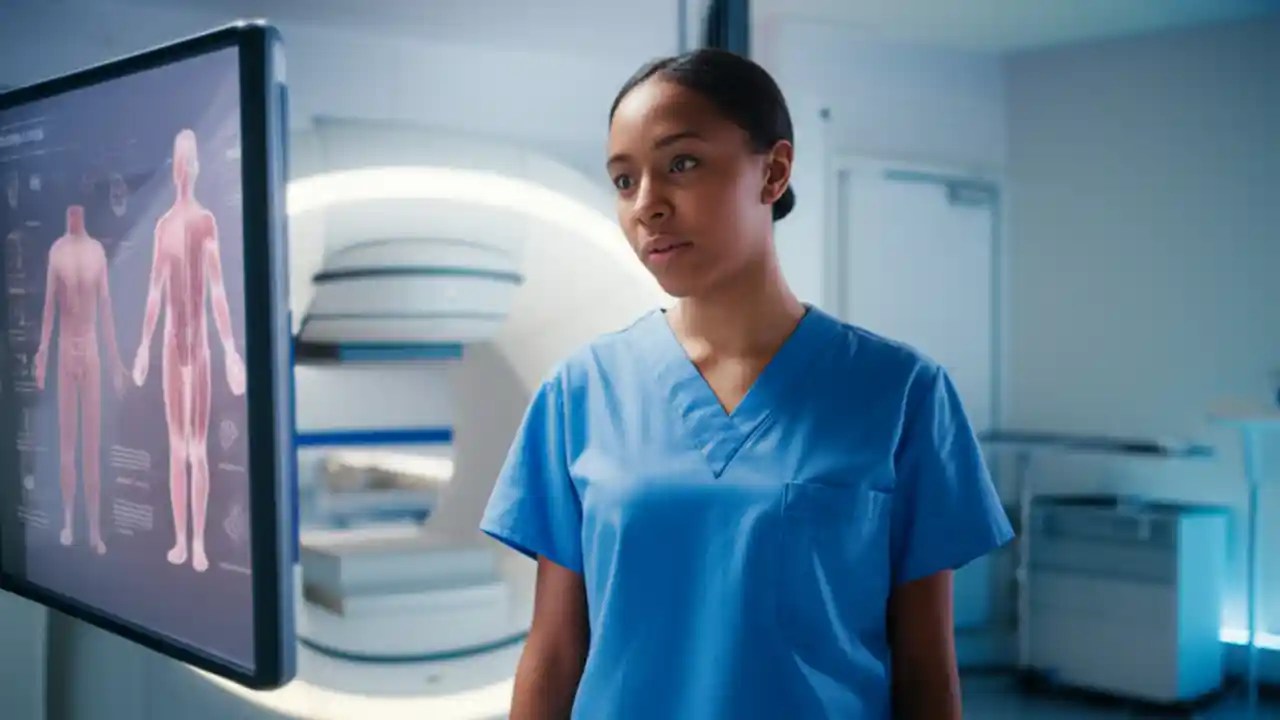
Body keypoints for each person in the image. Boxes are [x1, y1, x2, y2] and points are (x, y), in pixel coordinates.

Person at [479, 48, 1013, 720]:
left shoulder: (902, 394)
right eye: (623, 180)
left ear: (774, 171)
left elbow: (926, 669)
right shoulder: (581, 394)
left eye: (682, 163)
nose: (647, 206)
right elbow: (555, 654)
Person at [132, 129, 246, 573]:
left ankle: (198, 541)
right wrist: (142, 347)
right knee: (176, 446)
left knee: (197, 449)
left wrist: (232, 351)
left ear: (194, 168)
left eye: (189, 160)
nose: (184, 169)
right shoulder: (162, 227)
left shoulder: (204, 222)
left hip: (197, 346)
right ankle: (181, 540)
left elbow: (217, 291)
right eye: (180, 161)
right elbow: (154, 294)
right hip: (170, 345)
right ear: (176, 169)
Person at [34, 204, 128, 554]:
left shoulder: (96, 252)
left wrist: (116, 362)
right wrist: (42, 354)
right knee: (67, 445)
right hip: (65, 348)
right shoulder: (56, 251)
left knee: (91, 446)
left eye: (78, 209)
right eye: (69, 209)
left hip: (89, 347)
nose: (73, 213)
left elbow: (106, 309)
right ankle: (69, 522)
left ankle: (92, 529)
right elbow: (48, 308)